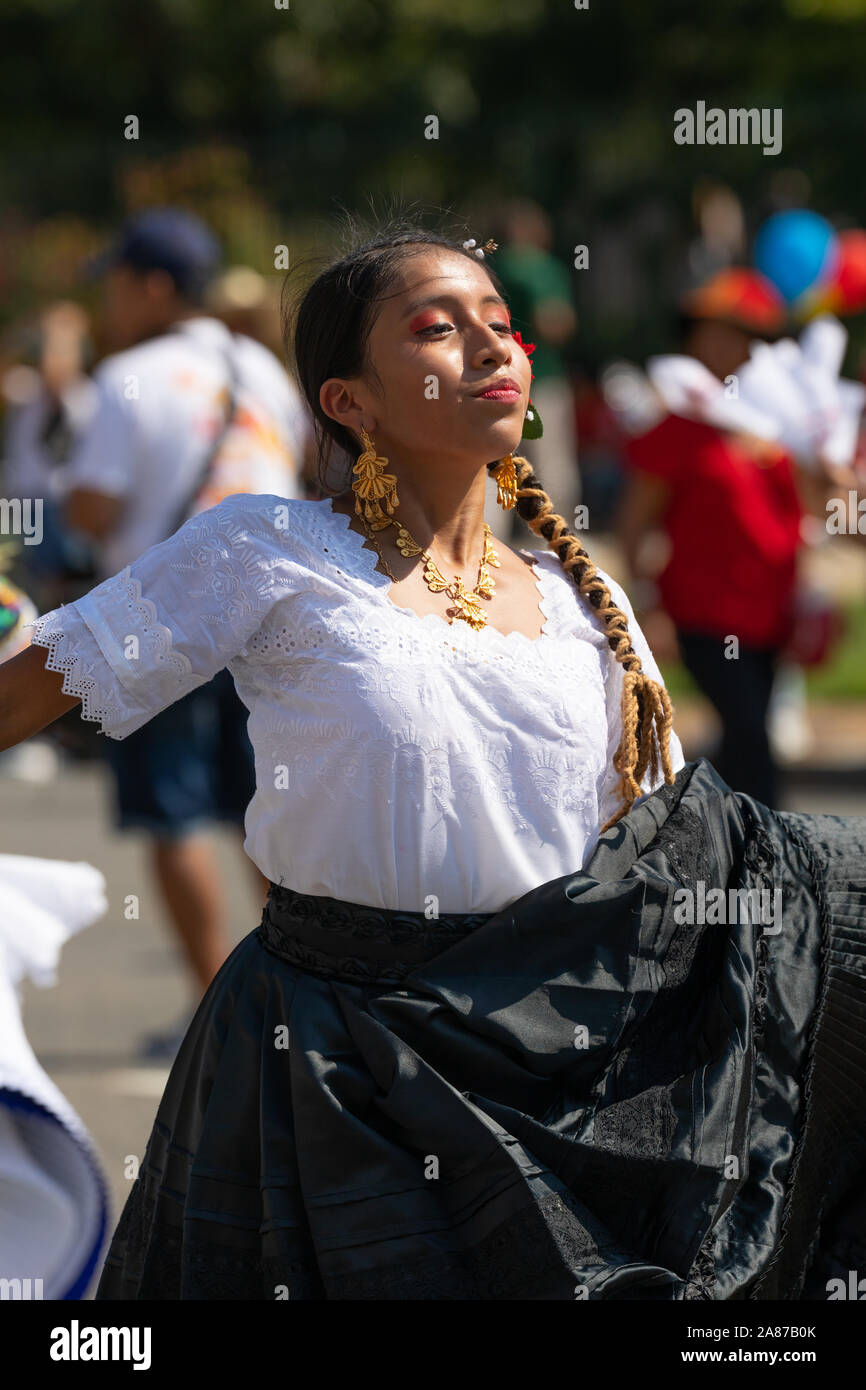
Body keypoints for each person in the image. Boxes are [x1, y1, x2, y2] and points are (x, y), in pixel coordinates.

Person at [1, 220, 864, 1299]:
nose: (491, 346)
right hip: (325, 1065)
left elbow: (677, 861)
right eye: (437, 329)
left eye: (501, 326)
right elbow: (29, 689)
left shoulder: (579, 607)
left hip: (547, 1077)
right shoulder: (265, 550)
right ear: (347, 402)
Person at [51, 208, 311, 1053]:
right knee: (265, 813)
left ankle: (216, 1014)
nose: (110, 304)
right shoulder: (264, 370)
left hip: (159, 624)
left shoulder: (132, 375)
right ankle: (297, 1005)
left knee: (171, 815)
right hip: (274, 616)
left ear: (155, 286)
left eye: (118, 285)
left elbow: (93, 505)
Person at [618, 269, 804, 809]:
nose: (731, 346)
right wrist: (646, 605)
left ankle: (693, 831)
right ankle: (770, 855)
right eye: (716, 332)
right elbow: (634, 524)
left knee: (746, 737)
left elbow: (810, 513)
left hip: (772, 613)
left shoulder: (780, 425)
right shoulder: (677, 427)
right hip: (705, 614)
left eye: (744, 335)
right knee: (751, 736)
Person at [488, 200, 580, 543]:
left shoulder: (488, 268)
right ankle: (553, 542)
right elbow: (554, 321)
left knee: (495, 457)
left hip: (492, 379)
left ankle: (487, 543)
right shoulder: (542, 269)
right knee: (550, 463)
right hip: (543, 376)